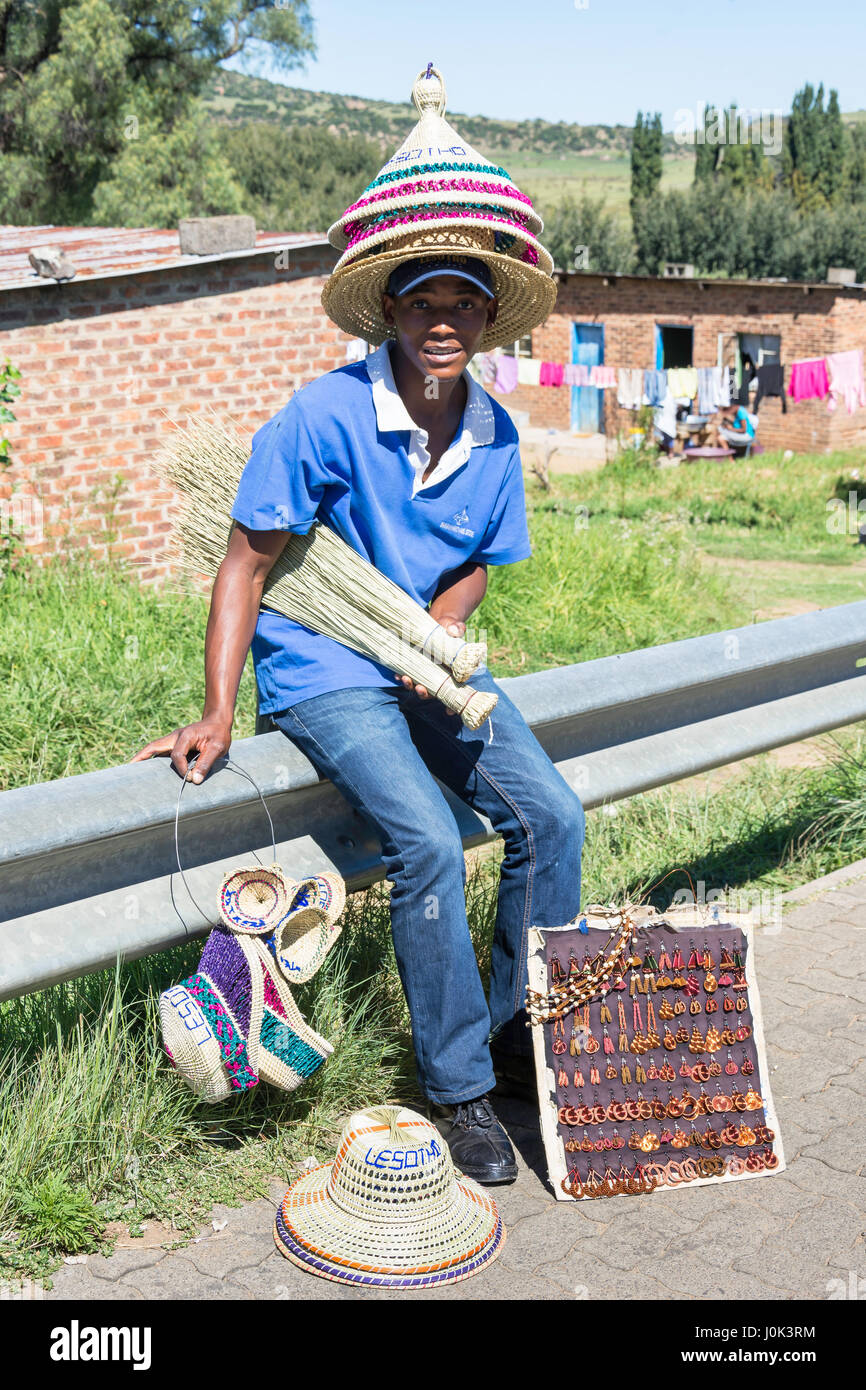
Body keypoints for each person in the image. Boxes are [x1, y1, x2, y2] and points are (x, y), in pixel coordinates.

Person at [132, 66, 586, 1187]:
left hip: (424, 664)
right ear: (389, 310)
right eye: (423, 302)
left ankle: (507, 1030)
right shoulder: (321, 416)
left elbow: (478, 559)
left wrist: (436, 632)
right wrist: (214, 708)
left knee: (553, 818)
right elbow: (246, 561)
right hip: (327, 668)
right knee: (428, 842)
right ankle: (460, 1092)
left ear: (488, 317)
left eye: (463, 303)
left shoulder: (491, 433)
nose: (443, 321)